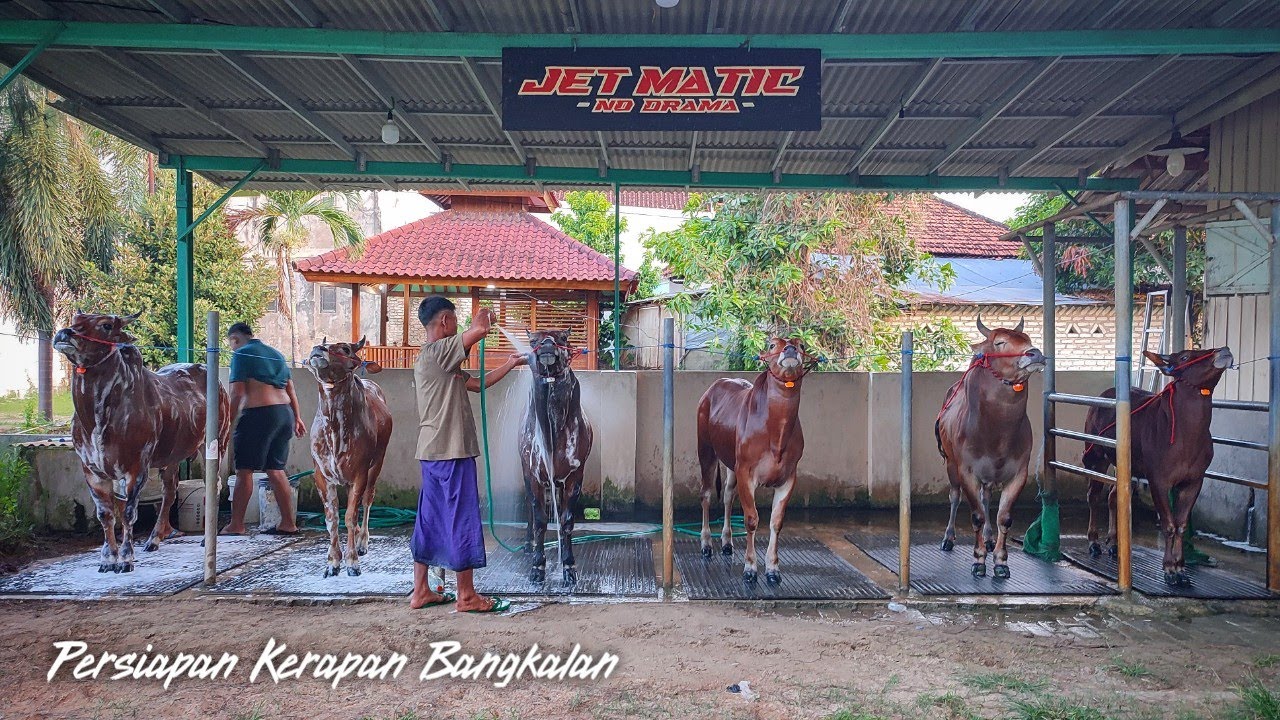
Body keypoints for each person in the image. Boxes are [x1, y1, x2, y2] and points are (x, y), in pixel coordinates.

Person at [410, 297, 525, 612]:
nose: (458, 327)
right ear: (445, 321)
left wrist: (511, 363)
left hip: (432, 453)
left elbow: (479, 384)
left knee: (430, 519)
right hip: (453, 451)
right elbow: (479, 329)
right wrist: (485, 315)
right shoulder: (440, 351)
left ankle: (420, 591)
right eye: (455, 321)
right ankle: (467, 596)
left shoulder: (433, 361)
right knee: (461, 518)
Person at [222, 322, 305, 536]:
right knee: (275, 469)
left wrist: (226, 424)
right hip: (284, 414)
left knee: (244, 470)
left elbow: (237, 393)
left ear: (235, 339)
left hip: (259, 415)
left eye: (231, 343)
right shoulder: (275, 354)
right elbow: (291, 389)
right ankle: (288, 523)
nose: (232, 347)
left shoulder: (241, 354)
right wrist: (297, 417)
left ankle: (236, 524)